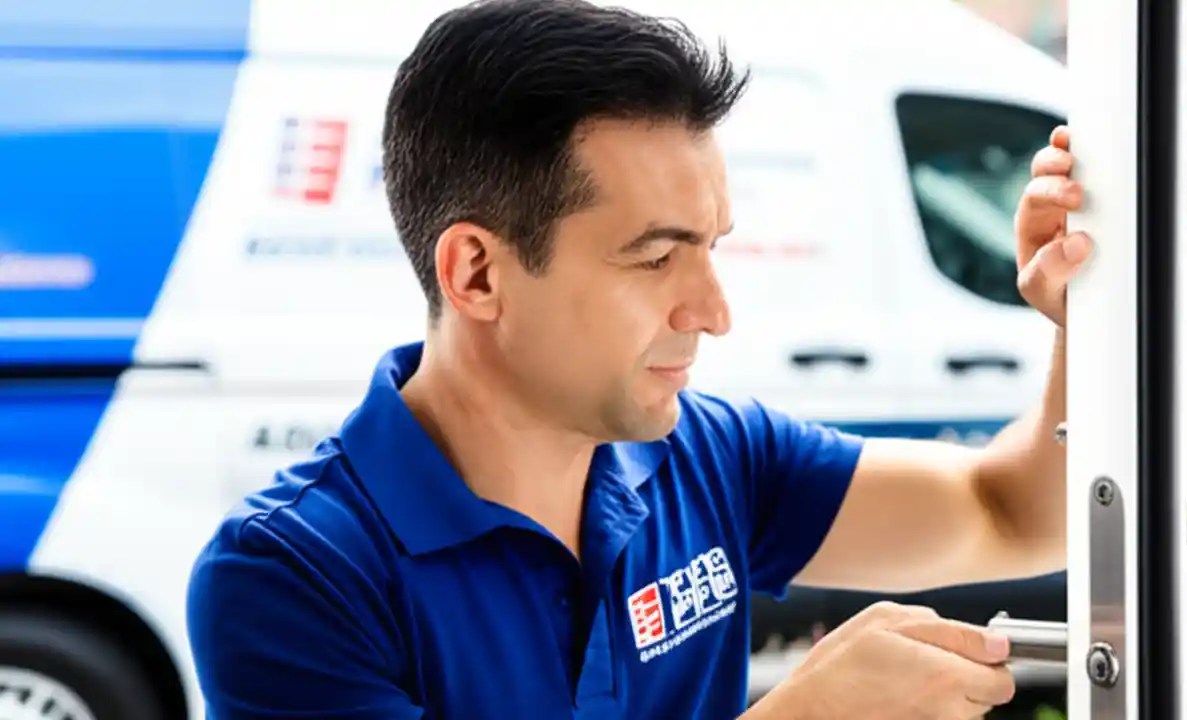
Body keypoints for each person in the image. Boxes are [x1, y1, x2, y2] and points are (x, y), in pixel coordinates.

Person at [186, 1, 1092, 718]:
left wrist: (1081, 316)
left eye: (711, 246)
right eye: (656, 258)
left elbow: (1014, 513)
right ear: (476, 273)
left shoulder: (709, 455)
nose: (714, 312)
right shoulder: (293, 575)